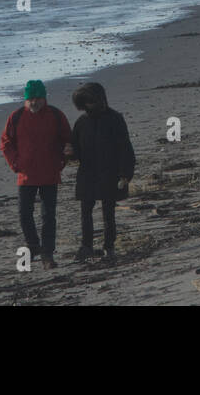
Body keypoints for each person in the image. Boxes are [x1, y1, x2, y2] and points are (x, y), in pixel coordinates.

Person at [0, 80, 73, 270]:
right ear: (26, 99)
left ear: (44, 98)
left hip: (49, 173)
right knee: (24, 214)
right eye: (30, 99)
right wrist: (15, 163)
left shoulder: (56, 115)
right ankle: (33, 246)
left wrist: (62, 160)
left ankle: (47, 253)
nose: (34, 102)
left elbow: (68, 140)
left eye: (38, 98)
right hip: (26, 175)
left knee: (49, 215)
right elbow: (6, 143)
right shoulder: (16, 117)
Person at [69, 82, 135, 264]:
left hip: (110, 172)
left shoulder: (115, 119)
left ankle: (109, 247)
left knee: (108, 212)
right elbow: (75, 149)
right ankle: (86, 246)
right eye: (88, 102)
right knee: (85, 211)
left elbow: (125, 148)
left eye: (94, 101)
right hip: (87, 173)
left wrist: (125, 173)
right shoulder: (81, 122)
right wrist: (69, 153)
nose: (92, 105)